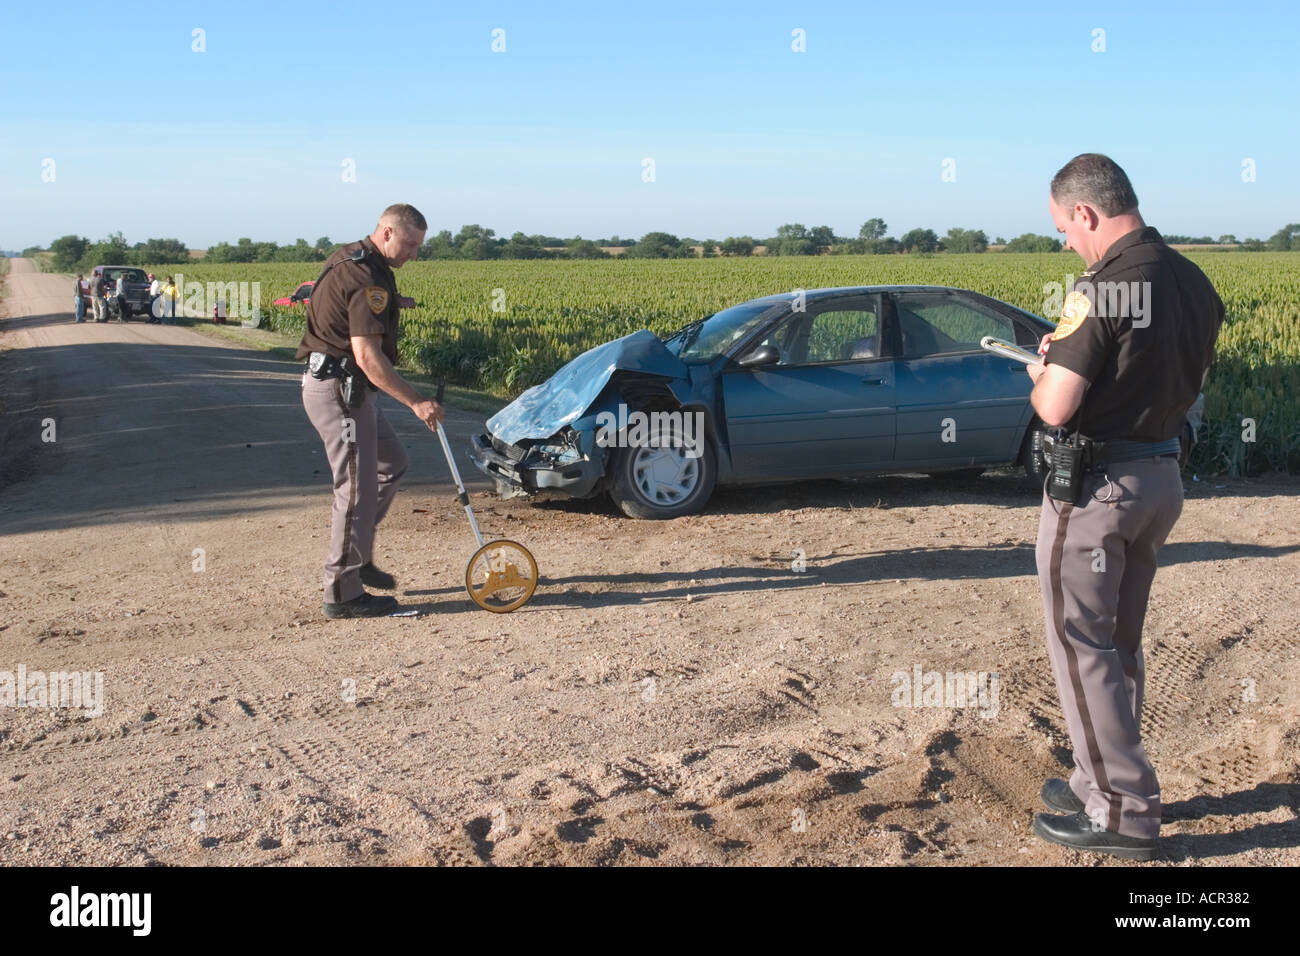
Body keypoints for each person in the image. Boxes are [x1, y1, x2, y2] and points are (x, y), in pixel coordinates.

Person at [1026, 154, 1223, 859]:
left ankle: (1121, 809)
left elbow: (1056, 406)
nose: (1067, 244)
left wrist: (1043, 369)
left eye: (1063, 229)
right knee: (1119, 645)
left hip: (1098, 491)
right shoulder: (1195, 281)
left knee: (1081, 647)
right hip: (1161, 476)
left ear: (1086, 212)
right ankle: (1096, 778)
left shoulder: (1104, 285)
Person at [296, 203, 443, 619]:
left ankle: (358, 554)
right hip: (342, 393)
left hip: (343, 388)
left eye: (419, 246)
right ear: (387, 233)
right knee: (355, 490)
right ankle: (342, 592)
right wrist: (416, 401)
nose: (414, 254)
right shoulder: (366, 277)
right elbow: (367, 357)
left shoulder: (352, 257)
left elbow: (348, 305)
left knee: (391, 463)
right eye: (410, 244)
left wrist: (396, 302)